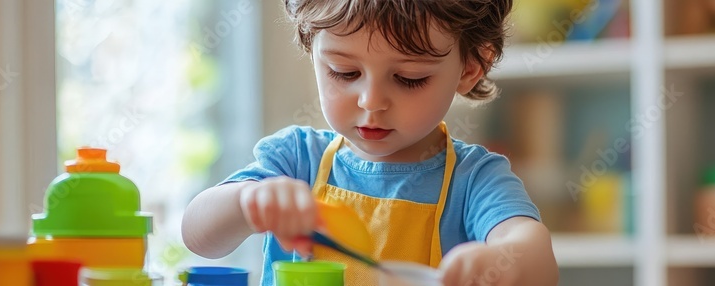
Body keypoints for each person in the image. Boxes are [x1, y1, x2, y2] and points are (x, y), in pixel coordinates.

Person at [182, 0, 558, 285]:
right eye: (344, 72)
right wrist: (247, 202)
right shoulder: (295, 159)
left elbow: (536, 255)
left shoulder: (475, 178)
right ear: (313, 50)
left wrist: (501, 262)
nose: (371, 101)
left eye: (409, 78)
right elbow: (199, 237)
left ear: (470, 68)